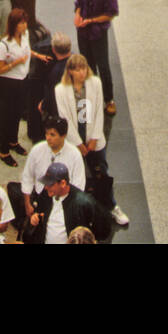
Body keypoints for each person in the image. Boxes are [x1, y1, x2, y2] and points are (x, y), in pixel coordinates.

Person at [55, 54, 129, 226]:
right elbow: (65, 118)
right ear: (70, 71)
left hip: (94, 139)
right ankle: (77, 212)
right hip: (74, 142)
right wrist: (78, 143)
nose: (82, 72)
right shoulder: (60, 90)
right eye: (77, 69)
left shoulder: (94, 83)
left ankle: (112, 206)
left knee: (101, 172)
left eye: (84, 68)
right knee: (75, 175)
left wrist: (94, 138)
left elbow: (98, 112)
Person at [13, 116, 87, 234]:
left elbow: (79, 186)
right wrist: (27, 204)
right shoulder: (37, 150)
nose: (48, 138)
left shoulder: (74, 155)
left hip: (63, 199)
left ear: (63, 136)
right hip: (40, 197)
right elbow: (27, 178)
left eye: (52, 135)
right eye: (47, 134)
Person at [0, 7, 42, 167]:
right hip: (7, 84)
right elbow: (0, 69)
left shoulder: (26, 35)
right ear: (14, 24)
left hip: (22, 81)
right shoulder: (3, 45)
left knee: (17, 113)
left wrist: (37, 55)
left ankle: (13, 141)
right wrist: (16, 62)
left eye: (25, 22)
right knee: (5, 117)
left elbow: (27, 52)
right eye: (21, 23)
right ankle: (3, 151)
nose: (24, 26)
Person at [25, 163, 112, 245]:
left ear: (63, 183)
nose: (46, 187)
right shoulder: (46, 194)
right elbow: (37, 213)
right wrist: (34, 219)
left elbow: (104, 227)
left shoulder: (83, 202)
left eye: (50, 184)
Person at [73, 0, 119, 117]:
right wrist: (78, 15)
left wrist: (92, 20)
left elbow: (111, 13)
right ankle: (91, 95)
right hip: (83, 32)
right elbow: (79, 4)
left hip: (97, 34)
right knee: (87, 65)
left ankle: (109, 99)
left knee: (103, 66)